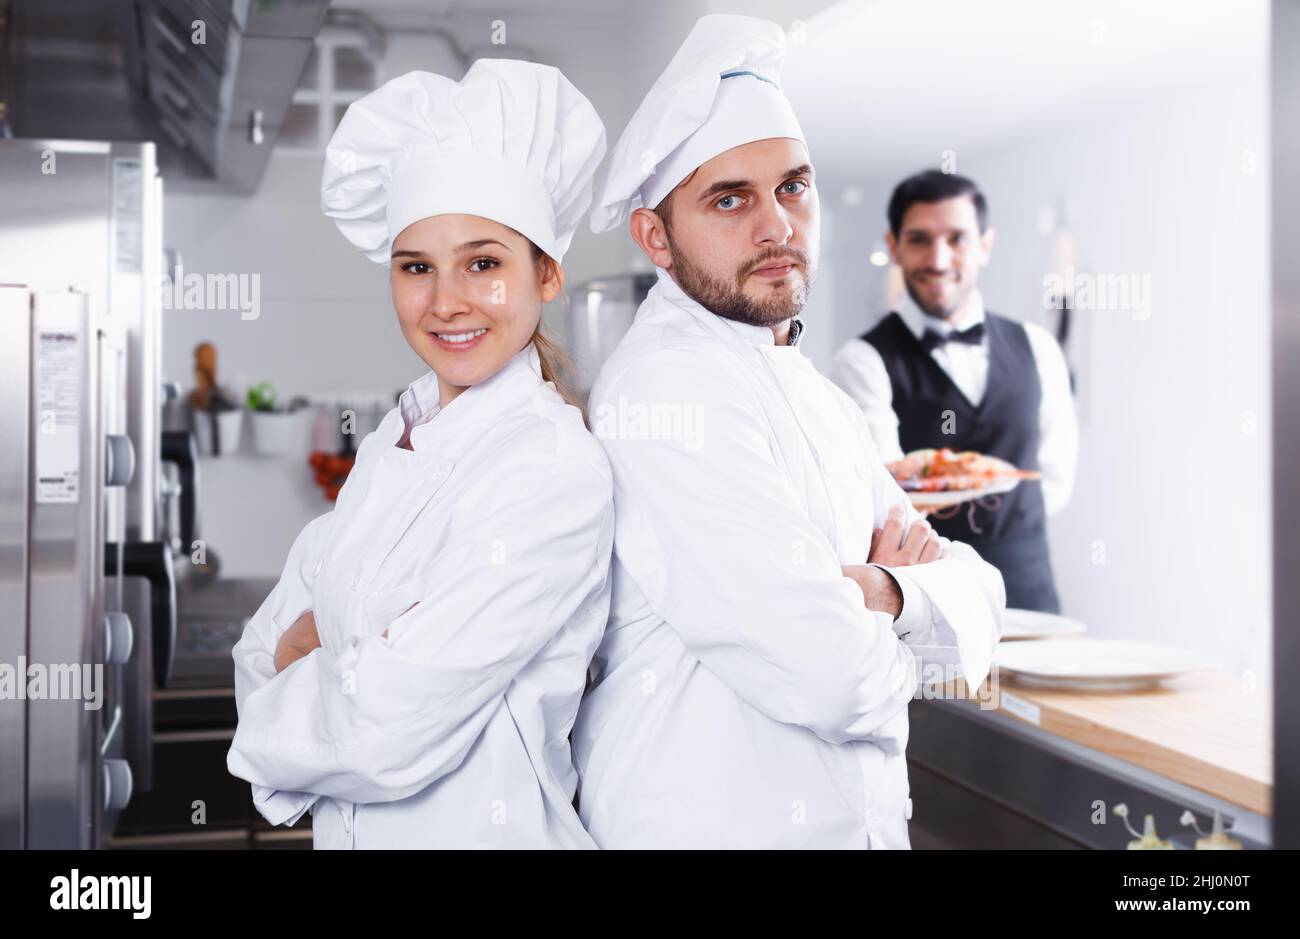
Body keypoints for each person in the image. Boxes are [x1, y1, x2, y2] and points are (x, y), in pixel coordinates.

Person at [571, 15, 1004, 849]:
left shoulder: (816, 395)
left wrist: (881, 592)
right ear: (654, 236)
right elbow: (833, 675)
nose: (777, 225)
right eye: (729, 198)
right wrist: (913, 615)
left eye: (792, 187)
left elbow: (982, 604)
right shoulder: (669, 386)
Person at [226, 60, 614, 849]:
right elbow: (260, 648)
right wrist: (338, 659)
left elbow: (383, 729)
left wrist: (324, 652)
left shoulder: (551, 470)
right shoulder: (392, 439)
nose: (446, 302)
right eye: (416, 268)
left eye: (483, 263)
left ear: (545, 272)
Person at [831, 170, 1079, 612]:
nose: (939, 259)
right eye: (920, 239)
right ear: (894, 246)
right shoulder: (862, 360)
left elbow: (1055, 482)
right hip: (932, 607)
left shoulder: (1039, 348)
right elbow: (886, 500)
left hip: (1034, 599)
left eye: (957, 239)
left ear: (985, 245)